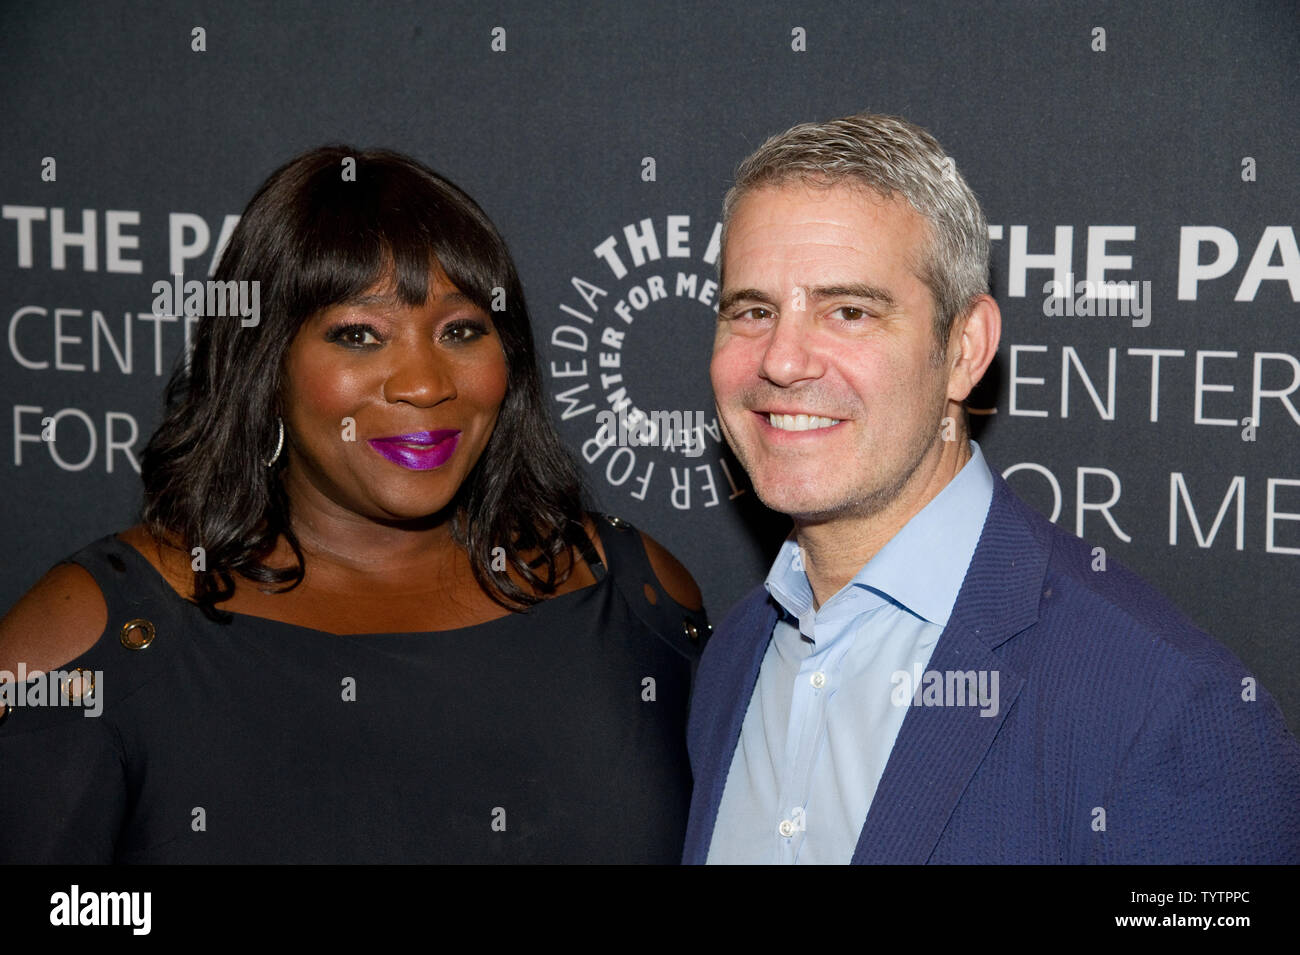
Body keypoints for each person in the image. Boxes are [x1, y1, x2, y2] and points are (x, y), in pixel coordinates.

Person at [0, 146, 709, 863]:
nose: (424, 384)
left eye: (461, 330)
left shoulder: (635, 598)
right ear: (263, 364)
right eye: (358, 336)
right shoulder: (92, 638)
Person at [684, 113, 1300, 864]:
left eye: (849, 311)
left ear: (965, 349)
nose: (781, 359)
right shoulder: (735, 654)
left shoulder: (1169, 713)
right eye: (752, 310)